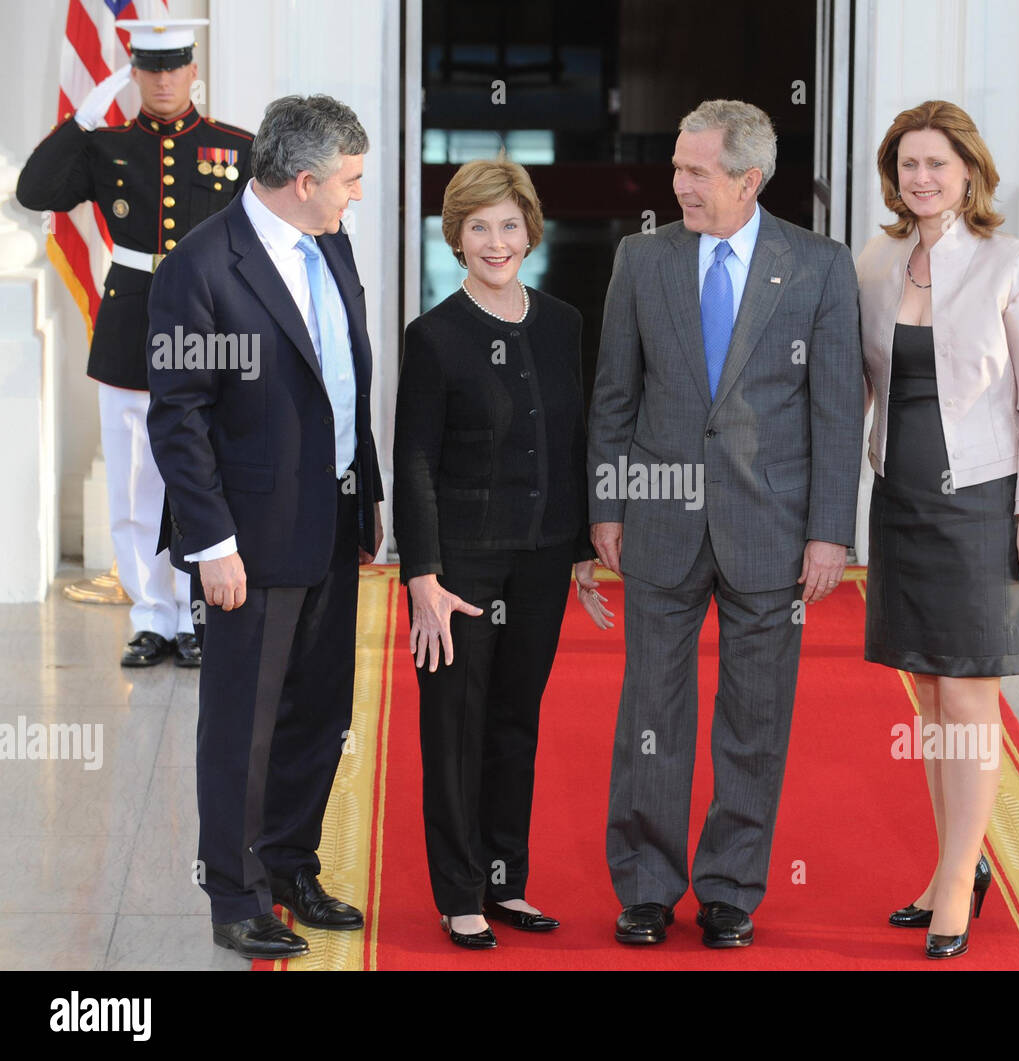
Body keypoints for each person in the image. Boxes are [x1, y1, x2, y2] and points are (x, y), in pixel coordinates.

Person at [587, 99, 864, 948]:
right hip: (658, 522)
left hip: (773, 531)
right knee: (651, 710)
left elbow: (837, 407)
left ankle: (732, 888)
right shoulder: (642, 258)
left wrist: (829, 531)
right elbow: (613, 394)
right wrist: (606, 503)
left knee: (755, 718)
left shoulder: (818, 265)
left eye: (696, 172)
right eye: (676, 168)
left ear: (749, 179)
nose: (678, 185)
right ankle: (644, 884)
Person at [146, 95, 382, 960]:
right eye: (350, 182)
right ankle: (235, 894)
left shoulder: (334, 244)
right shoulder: (200, 267)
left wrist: (368, 497)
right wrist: (212, 545)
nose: (358, 195)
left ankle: (289, 863)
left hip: (333, 517)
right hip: (244, 541)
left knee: (319, 709)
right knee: (243, 720)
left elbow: (345, 380)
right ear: (305, 179)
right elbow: (177, 419)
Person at [857, 100, 1019, 959]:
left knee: (972, 695)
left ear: (971, 171)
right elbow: (859, 386)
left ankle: (954, 880)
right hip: (900, 496)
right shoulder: (876, 259)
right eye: (908, 164)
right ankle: (959, 862)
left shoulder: (1013, 263)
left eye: (938, 163)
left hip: (983, 498)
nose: (922, 178)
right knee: (933, 695)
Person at [392, 156, 612, 951]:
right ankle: (458, 894)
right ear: (455, 237)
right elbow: (411, 459)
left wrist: (585, 543)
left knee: (516, 722)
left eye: (509, 225)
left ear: (531, 230)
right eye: (479, 226)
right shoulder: (435, 336)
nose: (496, 241)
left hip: (544, 557)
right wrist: (421, 575)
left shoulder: (561, 323)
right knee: (454, 725)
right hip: (459, 566)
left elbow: (574, 434)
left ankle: (502, 880)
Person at [16, 16, 253, 668]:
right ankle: (150, 616)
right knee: (133, 479)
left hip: (208, 329)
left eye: (176, 65)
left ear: (193, 69)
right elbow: (33, 191)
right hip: (131, 325)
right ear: (136, 73)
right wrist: (81, 124)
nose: (165, 79)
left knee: (198, 474)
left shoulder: (234, 145)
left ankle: (192, 613)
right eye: (151, 68)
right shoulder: (108, 146)